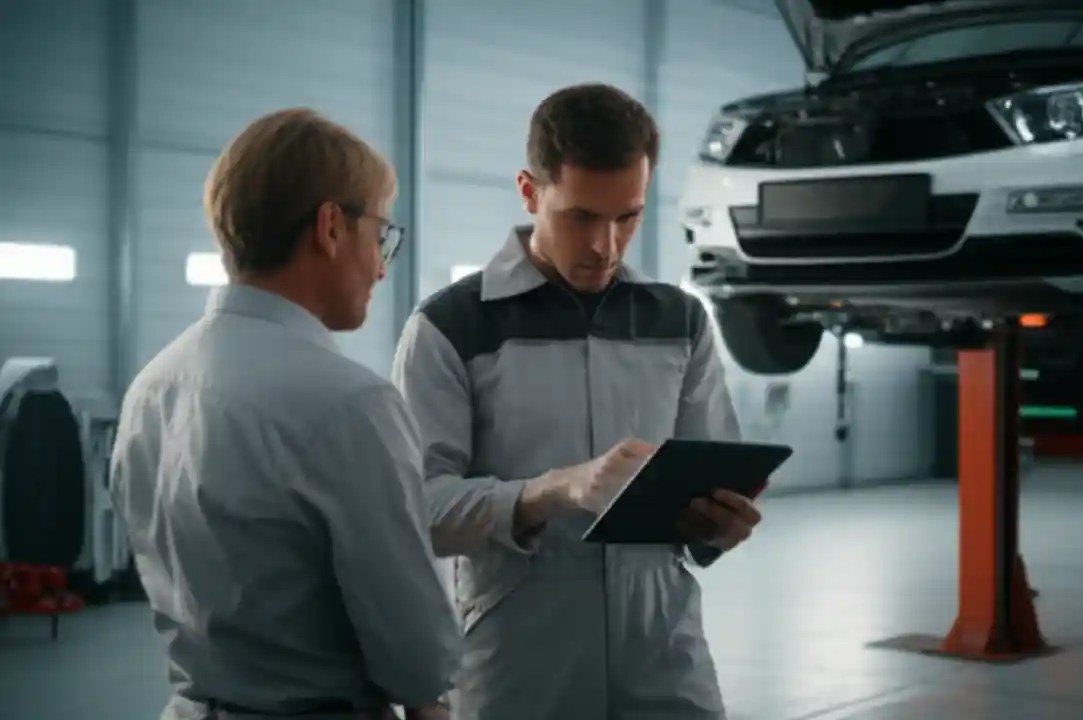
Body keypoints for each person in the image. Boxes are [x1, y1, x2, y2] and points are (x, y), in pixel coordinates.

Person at [391, 83, 764, 719]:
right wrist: (553, 490)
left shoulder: (682, 322)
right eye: (581, 217)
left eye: (628, 217)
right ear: (530, 192)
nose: (607, 246)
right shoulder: (450, 327)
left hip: (665, 655)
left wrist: (721, 525)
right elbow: (414, 509)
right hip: (517, 663)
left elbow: (713, 473)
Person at [109, 108, 459, 720]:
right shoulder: (350, 404)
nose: (381, 266)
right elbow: (418, 658)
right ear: (330, 226)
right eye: (380, 236)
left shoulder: (151, 388)